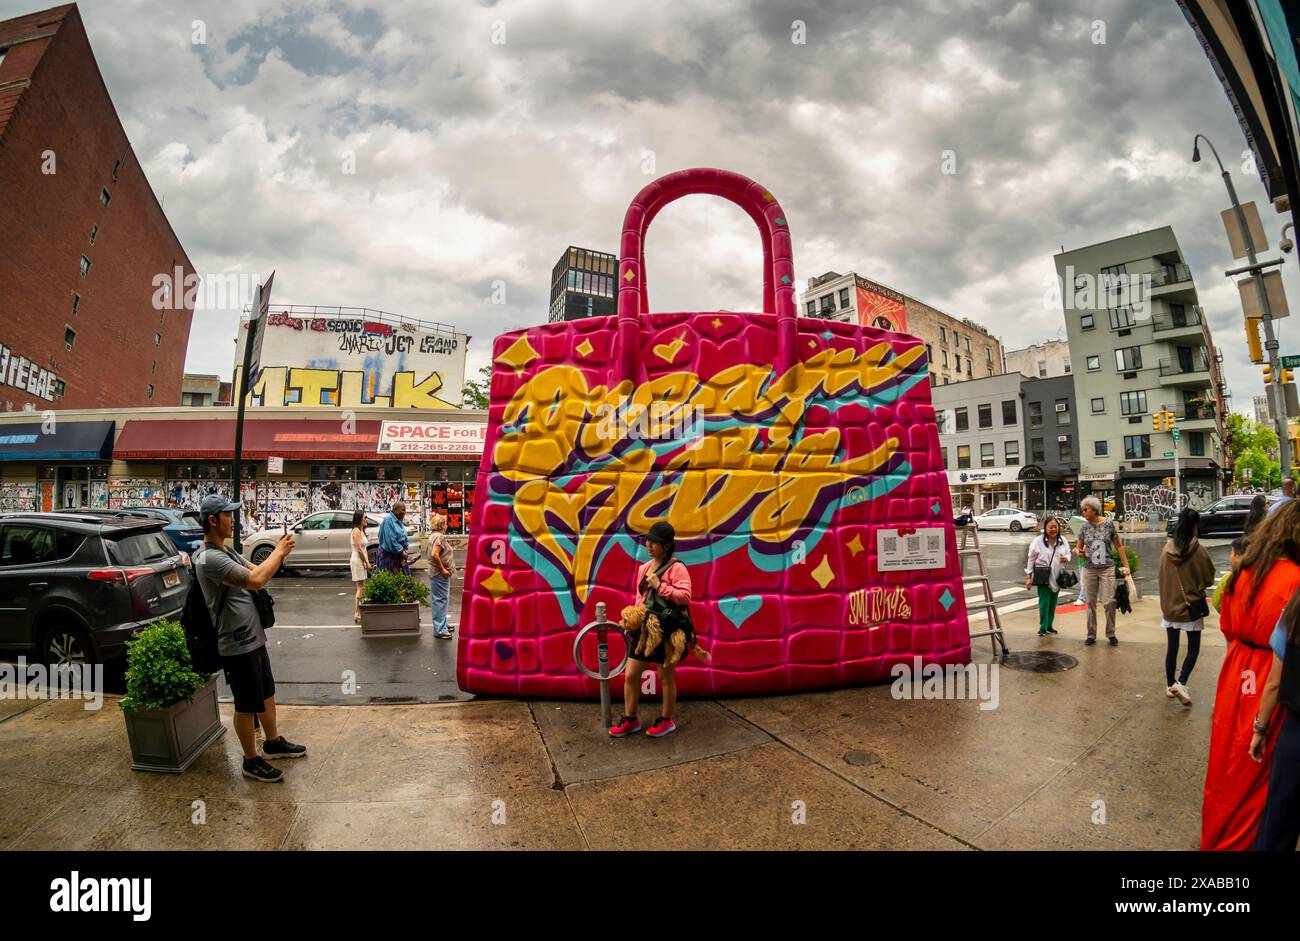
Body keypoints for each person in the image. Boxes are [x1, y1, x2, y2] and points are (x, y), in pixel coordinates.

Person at [1201, 499, 1300, 850]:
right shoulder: (1295, 580)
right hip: (1268, 675)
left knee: (1224, 767)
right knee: (1258, 776)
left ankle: (1215, 838)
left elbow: (1227, 625)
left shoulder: (1242, 572)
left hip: (1236, 669)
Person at [194, 494, 306, 783]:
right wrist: (278, 553)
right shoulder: (210, 558)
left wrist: (279, 554)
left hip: (254, 637)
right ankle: (250, 760)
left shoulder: (227, 551)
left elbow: (257, 571)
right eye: (228, 515)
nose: (233, 520)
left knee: (266, 692)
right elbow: (256, 581)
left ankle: (272, 741)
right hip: (236, 643)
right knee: (245, 704)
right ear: (212, 520)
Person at [609, 521, 694, 740]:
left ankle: (666, 720)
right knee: (631, 675)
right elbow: (640, 600)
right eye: (648, 540)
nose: (649, 545)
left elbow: (685, 597)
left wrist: (660, 585)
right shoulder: (644, 568)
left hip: (667, 630)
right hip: (644, 630)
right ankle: (631, 718)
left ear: (666, 545)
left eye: (654, 542)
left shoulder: (677, 568)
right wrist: (633, 624)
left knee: (665, 677)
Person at [1250, 592, 1300, 849]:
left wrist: (1261, 727)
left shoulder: (1294, 609)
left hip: (1295, 733)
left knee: (1278, 828)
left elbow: (1275, 681)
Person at [1158, 508, 1215, 706]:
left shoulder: (1167, 549)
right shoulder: (1198, 550)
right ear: (1195, 526)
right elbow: (1209, 578)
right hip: (1191, 606)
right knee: (1193, 648)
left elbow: (1162, 579)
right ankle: (1181, 682)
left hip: (1170, 607)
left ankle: (1169, 684)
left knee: (1172, 647)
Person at [1074, 496, 1129, 646]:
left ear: (1094, 509)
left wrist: (1126, 566)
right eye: (1083, 510)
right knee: (1090, 602)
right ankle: (1091, 634)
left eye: (1086, 510)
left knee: (1109, 601)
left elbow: (1118, 546)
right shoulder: (1084, 527)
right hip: (1090, 568)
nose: (1083, 512)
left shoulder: (1109, 524)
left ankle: (1111, 633)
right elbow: (1078, 547)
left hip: (1107, 568)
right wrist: (1080, 552)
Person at [1024, 517, 1072, 637]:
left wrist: (1066, 558)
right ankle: (1043, 627)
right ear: (1045, 528)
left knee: (1053, 602)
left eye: (1055, 526)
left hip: (1057, 575)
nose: (1053, 529)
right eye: (1050, 527)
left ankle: (1049, 625)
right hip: (1043, 575)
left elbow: (1069, 553)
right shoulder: (1038, 541)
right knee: (1044, 602)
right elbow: (1031, 559)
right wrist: (1029, 577)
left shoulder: (1062, 540)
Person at [428, 513, 455, 639]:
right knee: (440, 600)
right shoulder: (439, 537)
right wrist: (443, 569)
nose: (446, 525)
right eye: (445, 523)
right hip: (439, 574)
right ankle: (440, 629)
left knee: (440, 600)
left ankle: (442, 624)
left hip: (435, 573)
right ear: (441, 525)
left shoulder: (433, 535)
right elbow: (435, 554)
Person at [377, 501, 410, 574]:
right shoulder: (388, 520)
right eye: (402, 510)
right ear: (396, 510)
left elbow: (404, 535)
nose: (404, 512)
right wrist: (401, 551)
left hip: (398, 555)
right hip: (389, 556)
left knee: (401, 580)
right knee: (390, 580)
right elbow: (391, 541)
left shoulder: (399, 521)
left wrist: (406, 549)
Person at [349, 509, 370, 623]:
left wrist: (366, 562)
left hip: (361, 561)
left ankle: (359, 612)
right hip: (357, 561)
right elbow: (359, 550)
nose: (366, 520)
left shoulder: (361, 531)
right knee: (360, 588)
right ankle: (357, 613)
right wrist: (367, 563)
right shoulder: (356, 531)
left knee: (362, 587)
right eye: (365, 518)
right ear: (359, 519)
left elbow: (364, 549)